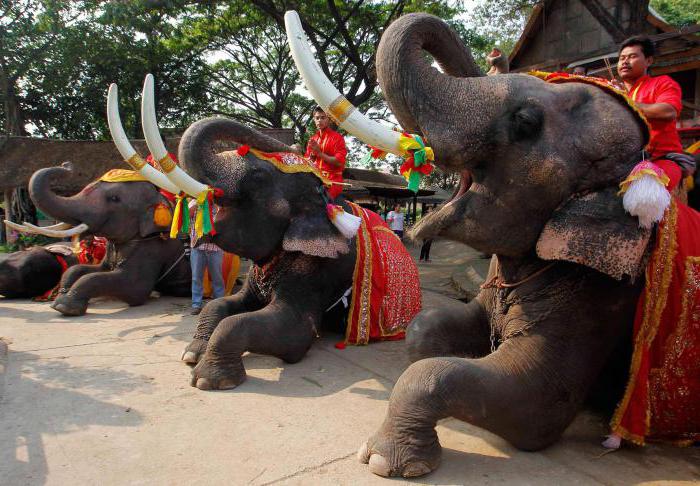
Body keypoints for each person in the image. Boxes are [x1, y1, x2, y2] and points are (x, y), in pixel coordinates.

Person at [602, 36, 700, 450]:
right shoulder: (616, 89)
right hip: (618, 165)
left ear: (648, 61)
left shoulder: (660, 86)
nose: (624, 62)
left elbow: (666, 113)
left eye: (632, 57)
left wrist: (624, 108)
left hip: (660, 163)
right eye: (621, 58)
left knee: (644, 196)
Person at [189, 200, 225, 315]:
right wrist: (197, 204)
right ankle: (196, 304)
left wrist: (216, 203)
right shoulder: (195, 201)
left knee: (217, 277)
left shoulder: (220, 204)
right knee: (196, 277)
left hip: (215, 248)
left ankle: (219, 304)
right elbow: (187, 214)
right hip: (197, 247)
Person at [305, 106, 348, 199]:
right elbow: (307, 163)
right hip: (315, 180)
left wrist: (320, 154)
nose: (319, 120)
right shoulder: (312, 139)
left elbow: (339, 162)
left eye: (323, 117)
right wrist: (312, 157)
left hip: (333, 182)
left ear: (329, 120)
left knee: (321, 202)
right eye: (317, 118)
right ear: (314, 120)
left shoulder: (337, 138)